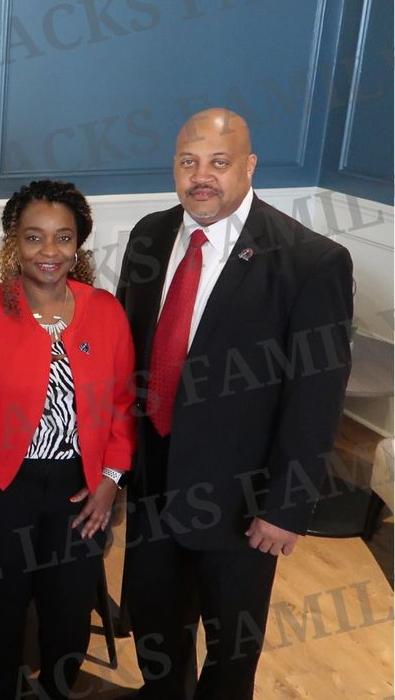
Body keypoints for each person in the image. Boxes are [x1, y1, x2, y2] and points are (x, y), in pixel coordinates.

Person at [117, 108, 353, 700]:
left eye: (219, 163)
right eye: (189, 162)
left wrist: (288, 506)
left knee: (230, 655)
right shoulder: (149, 234)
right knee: (155, 630)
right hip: (152, 486)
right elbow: (131, 358)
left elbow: (315, 396)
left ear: (248, 167)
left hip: (243, 507)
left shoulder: (309, 261)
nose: (202, 176)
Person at [0, 179, 137, 700]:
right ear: (13, 243)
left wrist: (110, 483)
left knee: (67, 604)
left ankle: (62, 689)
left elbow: (122, 409)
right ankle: (5, 688)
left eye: (63, 238)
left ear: (78, 245)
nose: (49, 252)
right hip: (0, 485)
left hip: (80, 484)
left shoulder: (106, 312)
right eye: (34, 237)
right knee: (4, 599)